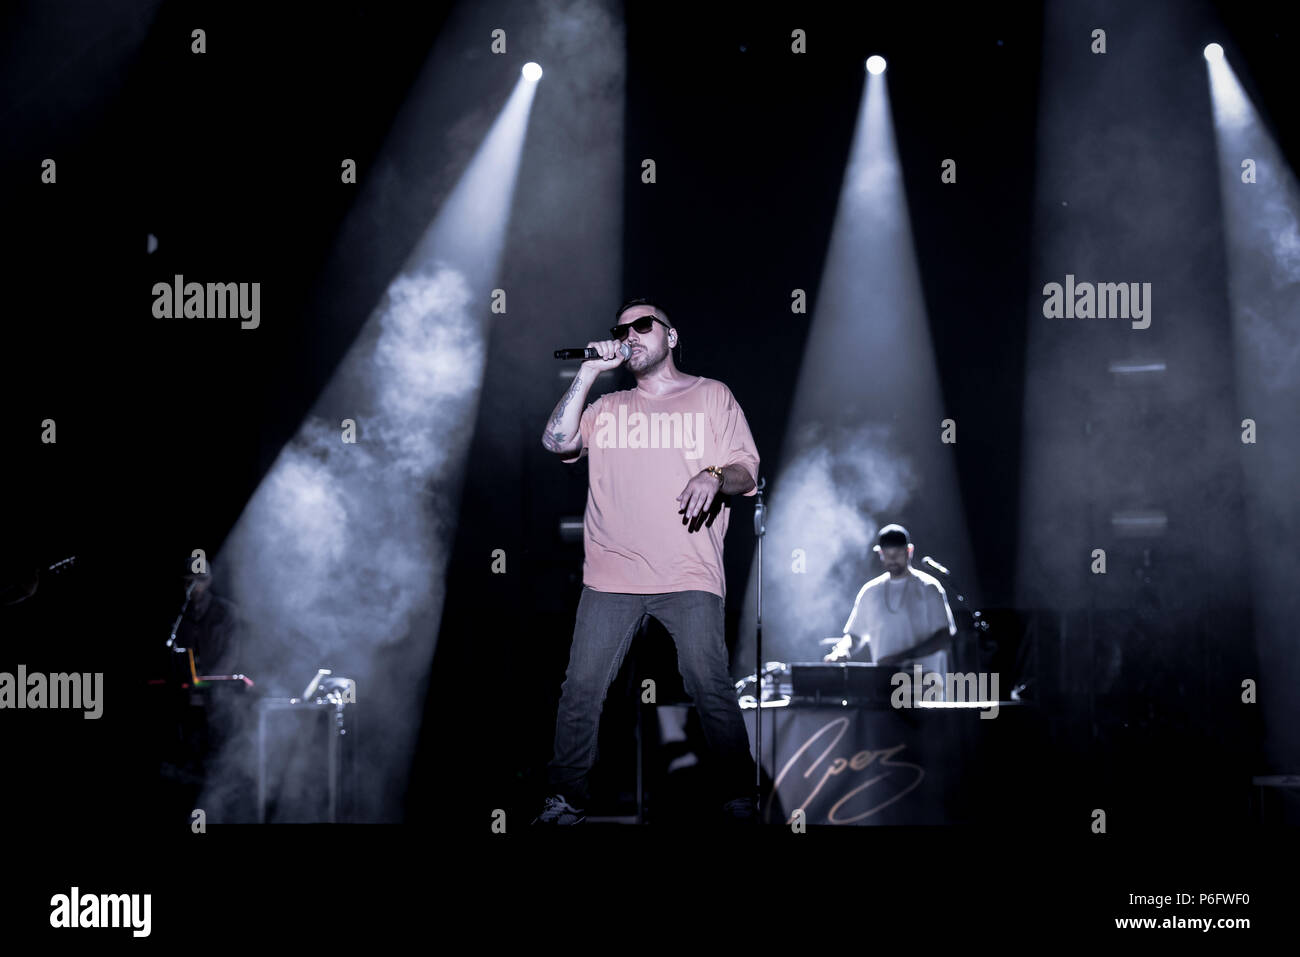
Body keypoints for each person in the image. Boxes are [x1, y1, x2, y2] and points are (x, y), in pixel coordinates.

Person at [534, 297, 761, 825]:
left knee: (708, 681)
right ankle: (564, 800)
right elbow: (555, 440)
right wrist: (589, 371)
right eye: (622, 328)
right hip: (611, 574)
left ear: (671, 337)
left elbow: (746, 472)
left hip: (687, 570)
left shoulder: (711, 396)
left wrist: (712, 474)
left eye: (643, 325)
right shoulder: (607, 409)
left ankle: (738, 798)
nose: (631, 334)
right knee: (582, 687)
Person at [824, 524, 957, 681]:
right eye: (887, 553)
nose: (892, 558)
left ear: (909, 551)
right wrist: (842, 649)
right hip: (884, 685)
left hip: (926, 685)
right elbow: (855, 635)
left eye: (898, 552)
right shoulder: (870, 591)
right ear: (880, 553)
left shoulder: (928, 587)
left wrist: (900, 658)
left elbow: (944, 638)